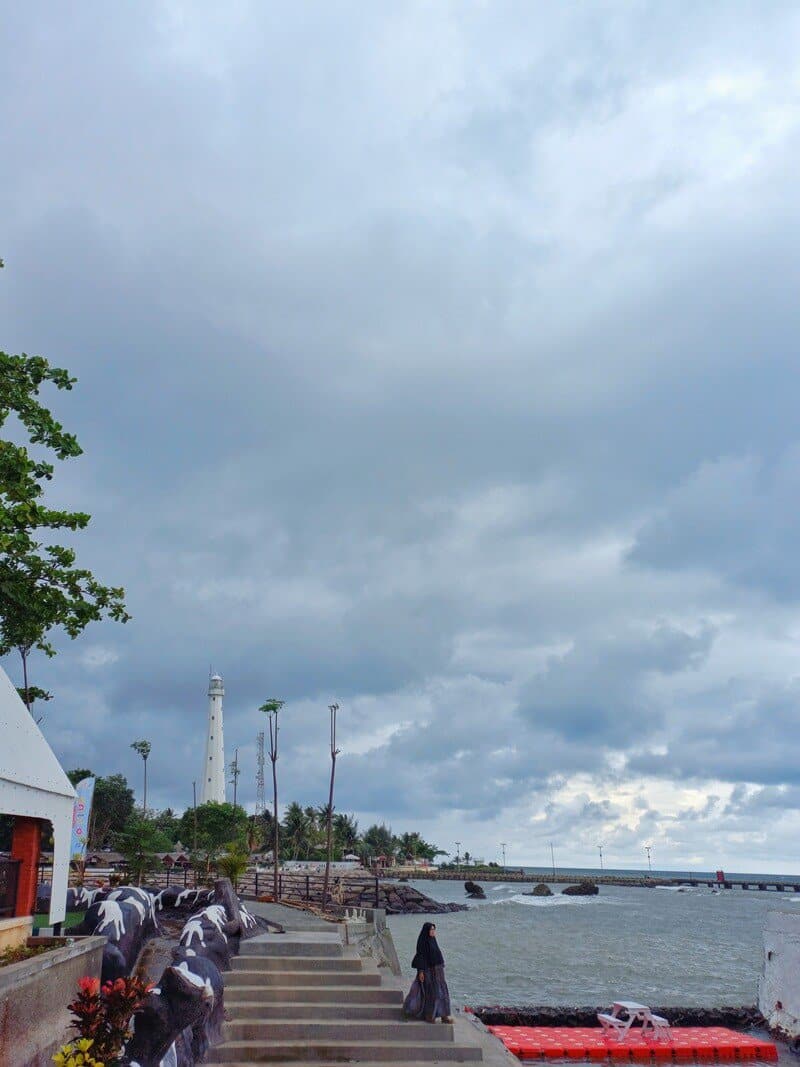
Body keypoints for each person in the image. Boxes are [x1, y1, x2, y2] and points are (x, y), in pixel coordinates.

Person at [403, 921, 453, 1023]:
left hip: (438, 971)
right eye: (431, 930)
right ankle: (430, 1016)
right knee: (432, 994)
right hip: (428, 971)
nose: (433, 932)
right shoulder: (422, 942)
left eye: (434, 930)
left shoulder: (433, 940)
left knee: (442, 993)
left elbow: (437, 955)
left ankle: (444, 1015)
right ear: (427, 931)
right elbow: (421, 956)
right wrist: (421, 971)